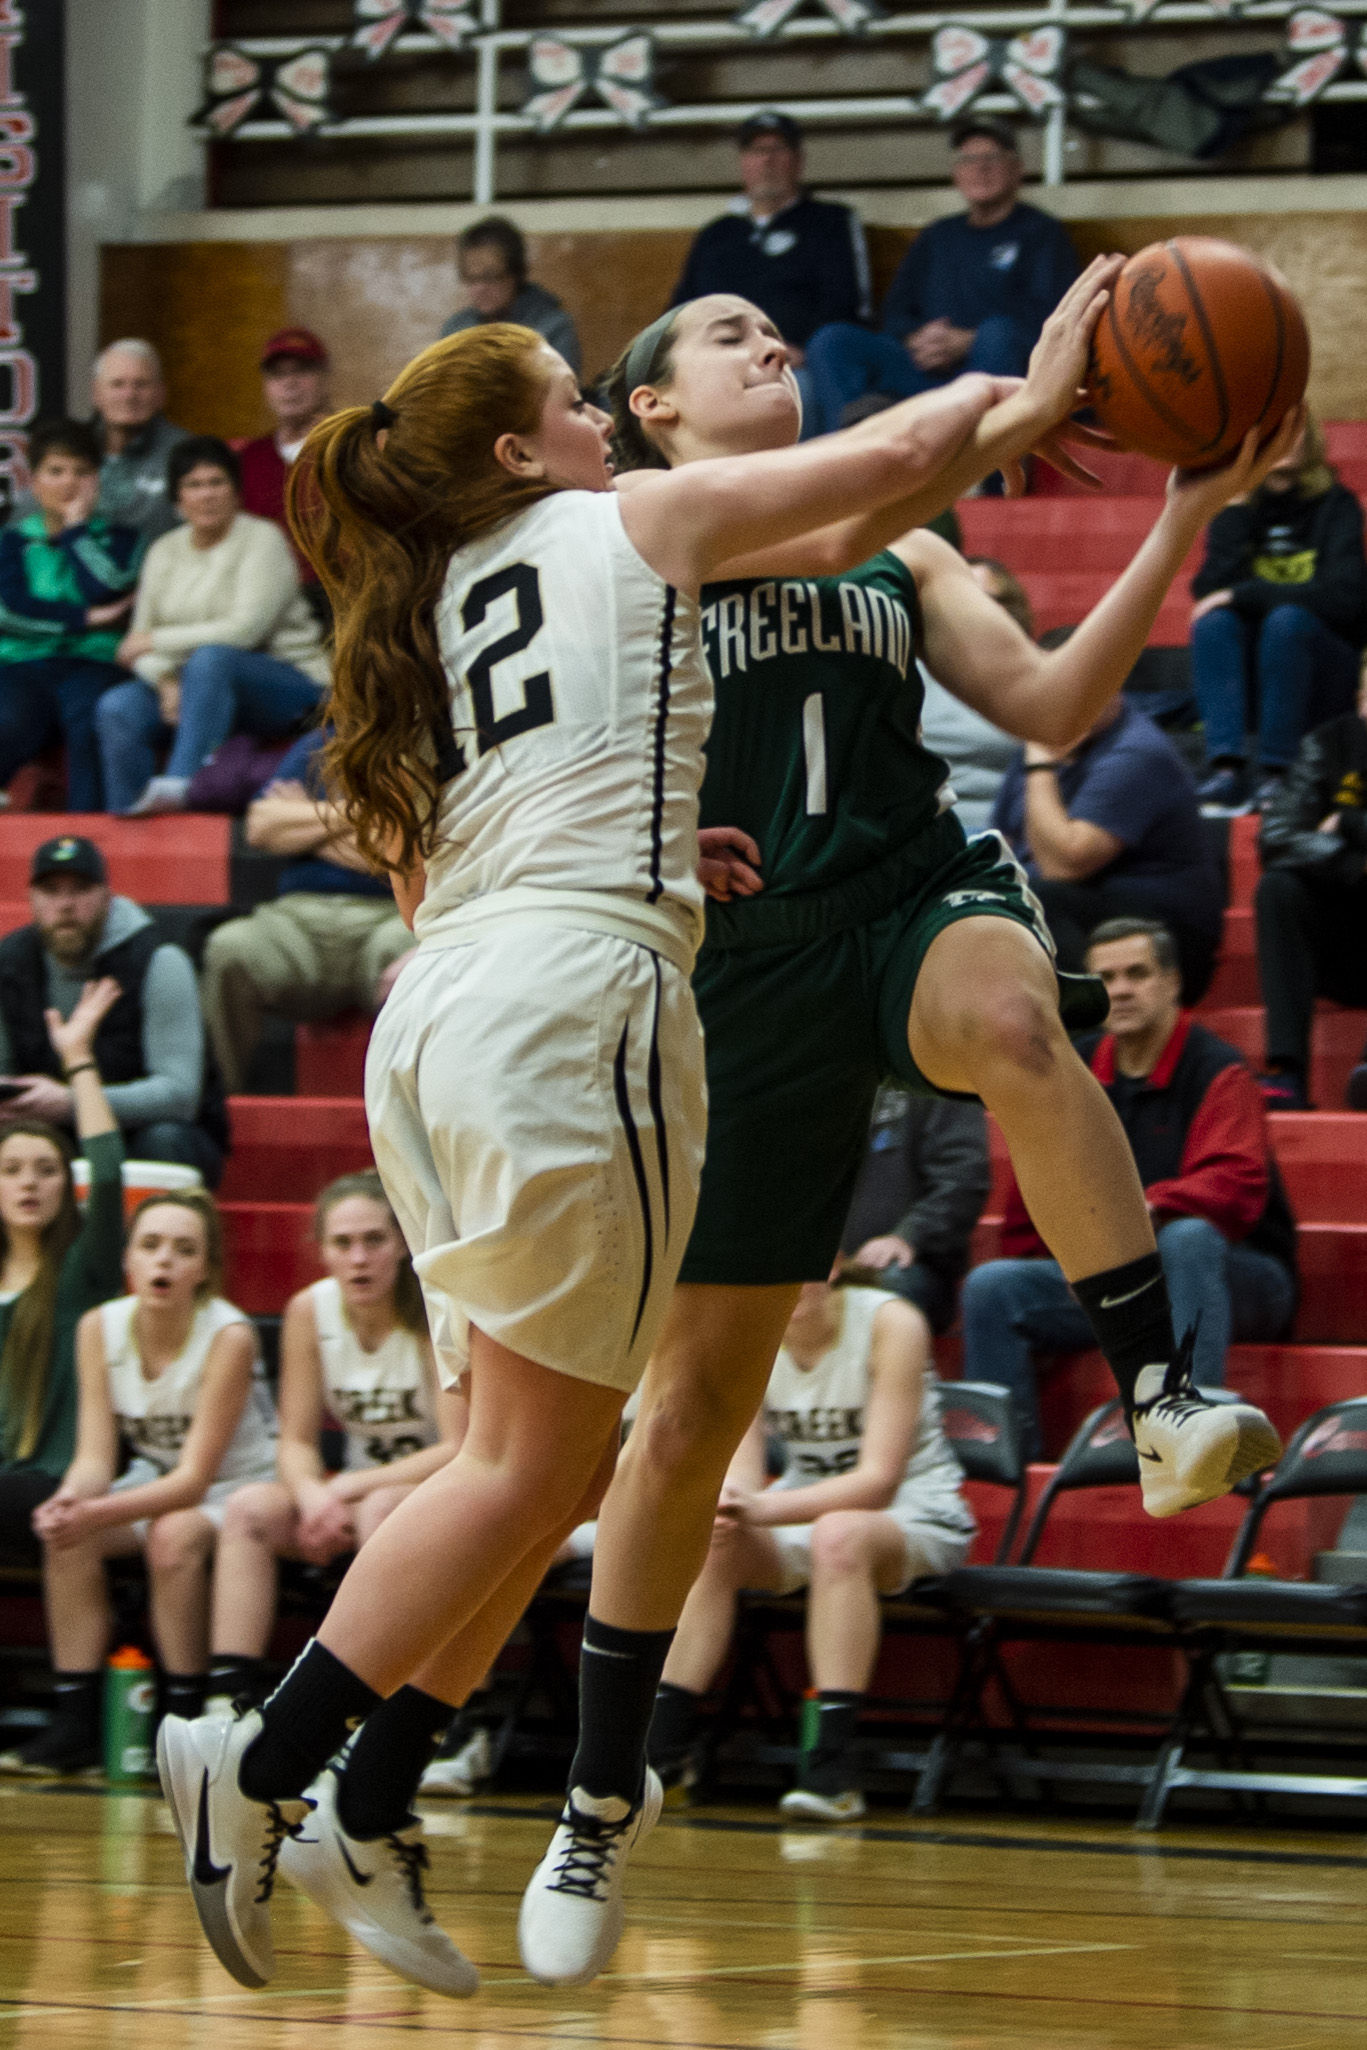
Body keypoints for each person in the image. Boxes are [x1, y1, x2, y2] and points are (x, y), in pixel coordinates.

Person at [153, 312, 1024, 1999]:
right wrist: (1036, 390)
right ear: (518, 447)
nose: (597, 424)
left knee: (532, 1462)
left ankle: (367, 1798)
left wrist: (650, 841)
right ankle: (264, 1761)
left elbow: (441, 858)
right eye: (570, 402)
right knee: (526, 1468)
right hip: (572, 1014)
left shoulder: (421, 606)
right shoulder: (600, 523)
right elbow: (868, 495)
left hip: (442, 1025)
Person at [511, 289, 1295, 1991]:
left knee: (1016, 1019)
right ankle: (595, 1786)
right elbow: (892, 467)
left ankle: (1162, 1396)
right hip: (741, 969)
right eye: (723, 331)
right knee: (691, 1421)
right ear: (648, 412)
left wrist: (1180, 508)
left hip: (904, 893)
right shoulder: (633, 536)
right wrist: (1042, 393)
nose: (764, 340)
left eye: (775, 326)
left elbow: (1044, 708)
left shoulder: (900, 548)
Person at [960, 918, 1298, 1460]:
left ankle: (1190, 1441)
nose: (1119, 989)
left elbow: (1234, 1185)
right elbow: (1036, 1194)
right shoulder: (1071, 1074)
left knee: (1186, 1239)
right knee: (993, 1287)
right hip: (1118, 1282)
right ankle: (1004, 1467)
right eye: (1105, 978)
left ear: (1172, 983)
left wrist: (1143, 1212)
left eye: (1136, 974)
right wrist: (1078, 1258)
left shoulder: (1219, 1070)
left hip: (1236, 1275)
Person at [648, 1275, 974, 1820]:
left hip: (914, 1510)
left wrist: (761, 1509)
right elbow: (744, 1470)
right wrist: (732, 1503)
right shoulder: (748, 1327)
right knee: (715, 1539)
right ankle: (661, 1760)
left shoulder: (891, 1322)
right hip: (804, 1506)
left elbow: (878, 1482)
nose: (794, 1283)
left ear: (834, 1266)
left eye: (808, 1269)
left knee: (839, 1535)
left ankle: (830, 1771)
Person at [0, 1188, 277, 1775]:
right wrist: (73, 1499)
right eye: (150, 1246)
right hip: (156, 1477)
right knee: (65, 1533)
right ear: (128, 1258)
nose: (165, 1262)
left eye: (184, 1250)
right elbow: (96, 1455)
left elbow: (195, 1480)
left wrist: (95, 1512)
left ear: (204, 1269)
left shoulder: (229, 1335)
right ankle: (75, 1717)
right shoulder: (99, 1326)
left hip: (239, 1486)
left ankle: (181, 1718)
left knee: (172, 1536)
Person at [206, 1172, 466, 1713]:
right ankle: (228, 1700)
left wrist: (345, 1486)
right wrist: (314, 1498)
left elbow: (458, 1448)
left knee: (383, 1509)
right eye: (342, 1243)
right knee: (249, 1509)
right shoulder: (309, 1310)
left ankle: (388, 1704)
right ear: (322, 1251)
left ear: (401, 1244)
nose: (359, 1258)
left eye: (374, 1240)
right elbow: (296, 1442)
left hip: (428, 1493)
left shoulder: (432, 1308)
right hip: (347, 1498)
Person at [95, 436, 330, 816]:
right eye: (193, 485)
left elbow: (243, 632)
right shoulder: (164, 550)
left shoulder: (263, 539)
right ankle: (123, 829)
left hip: (289, 685)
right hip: (193, 686)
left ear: (236, 492)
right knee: (117, 705)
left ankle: (182, 790)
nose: (206, 495)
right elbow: (133, 646)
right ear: (177, 499)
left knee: (212, 659)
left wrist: (157, 641)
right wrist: (166, 682)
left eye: (217, 482)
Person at [804, 119, 1078, 437]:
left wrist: (968, 340)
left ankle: (985, 465)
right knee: (832, 341)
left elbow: (1052, 317)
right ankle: (852, 457)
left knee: (997, 334)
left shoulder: (1042, 233)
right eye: (968, 160)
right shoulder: (938, 235)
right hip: (924, 367)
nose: (980, 169)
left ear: (1017, 169)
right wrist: (917, 339)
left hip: (993, 371)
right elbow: (895, 310)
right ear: (956, 174)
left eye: (992, 158)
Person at [0, 836, 229, 1185]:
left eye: (80, 889)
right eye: (51, 891)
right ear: (31, 900)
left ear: (108, 897)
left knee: (164, 1138)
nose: (65, 905)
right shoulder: (8, 964)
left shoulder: (160, 961)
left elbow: (179, 1096)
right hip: (46, 1136)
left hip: (139, 1133)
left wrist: (70, 1102)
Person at [200, 726, 413, 1093]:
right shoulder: (323, 743)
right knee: (230, 947)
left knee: (416, 963)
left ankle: (418, 1122)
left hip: (389, 916)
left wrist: (304, 817)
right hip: (297, 921)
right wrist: (367, 816)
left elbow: (405, 853)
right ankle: (221, 1110)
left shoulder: (426, 745)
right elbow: (261, 826)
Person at [0, 979, 127, 1566]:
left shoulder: (85, 1270)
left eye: (46, 1170)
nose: (29, 1183)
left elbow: (105, 1172)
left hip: (55, 1484)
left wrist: (78, 1059)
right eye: (13, 1170)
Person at [990, 692, 1223, 1004]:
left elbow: (1064, 865)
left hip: (1168, 940)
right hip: (1089, 913)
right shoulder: (1040, 743)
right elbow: (1002, 844)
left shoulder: (1136, 753)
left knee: (1039, 900)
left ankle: (1089, 1028)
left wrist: (1041, 765)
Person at [1191, 412, 1367, 815]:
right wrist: (1234, 506)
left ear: (1310, 438)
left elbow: (1346, 598)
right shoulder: (1237, 507)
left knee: (1287, 621)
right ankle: (1227, 771)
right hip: (1258, 674)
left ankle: (1278, 773)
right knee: (1214, 621)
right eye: (1272, 432)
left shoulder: (1337, 506)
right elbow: (1210, 590)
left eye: (1294, 430)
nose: (1285, 441)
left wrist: (1244, 594)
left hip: (1322, 670)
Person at [669, 113, 870, 425]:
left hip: (795, 364)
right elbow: (681, 310)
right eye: (756, 151)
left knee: (792, 395)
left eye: (778, 149)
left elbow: (848, 306)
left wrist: (797, 352)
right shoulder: (715, 234)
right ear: (743, 162)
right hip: (719, 365)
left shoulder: (832, 222)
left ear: (798, 160)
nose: (767, 160)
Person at [0, 418, 144, 809]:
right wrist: (85, 619)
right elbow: (9, 612)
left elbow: (108, 587)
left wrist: (77, 530)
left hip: (94, 662)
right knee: (7, 721)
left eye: (81, 472)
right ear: (34, 481)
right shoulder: (11, 541)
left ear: (97, 479)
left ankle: (86, 839)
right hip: (23, 666)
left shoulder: (124, 540)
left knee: (91, 719)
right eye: (56, 471)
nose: (68, 483)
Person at [1255, 658, 1367, 1109]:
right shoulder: (1327, 744)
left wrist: (1351, 822)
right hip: (1342, 945)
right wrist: (1353, 865)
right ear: (1361, 698)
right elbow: (1278, 838)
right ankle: (1287, 1074)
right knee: (1278, 889)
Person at [841, 1084, 990, 1341]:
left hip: (913, 1267)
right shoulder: (815, 1079)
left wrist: (908, 1236)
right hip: (825, 1269)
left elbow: (963, 1175)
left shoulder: (938, 1072)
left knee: (889, 1284)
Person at [9, 341, 190, 542]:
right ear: (96, 393)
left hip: (154, 567)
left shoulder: (186, 452)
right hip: (65, 566)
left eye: (141, 384)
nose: (129, 395)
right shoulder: (69, 445)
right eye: (117, 384)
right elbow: (20, 525)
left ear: (160, 393)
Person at [919, 557, 1030, 834]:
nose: (967, 610)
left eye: (981, 598)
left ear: (1011, 609)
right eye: (954, 598)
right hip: (925, 829)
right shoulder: (906, 672)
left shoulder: (1030, 675)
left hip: (1011, 833)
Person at [237, 328, 333, 596]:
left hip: (333, 596)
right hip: (259, 595)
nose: (289, 383)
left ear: (325, 377)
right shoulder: (250, 457)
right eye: (278, 374)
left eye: (302, 371)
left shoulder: (348, 446)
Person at [440, 218, 581, 373]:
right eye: (471, 278)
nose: (479, 288)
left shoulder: (553, 327)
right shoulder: (456, 329)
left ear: (517, 274)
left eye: (490, 277)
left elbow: (565, 392)